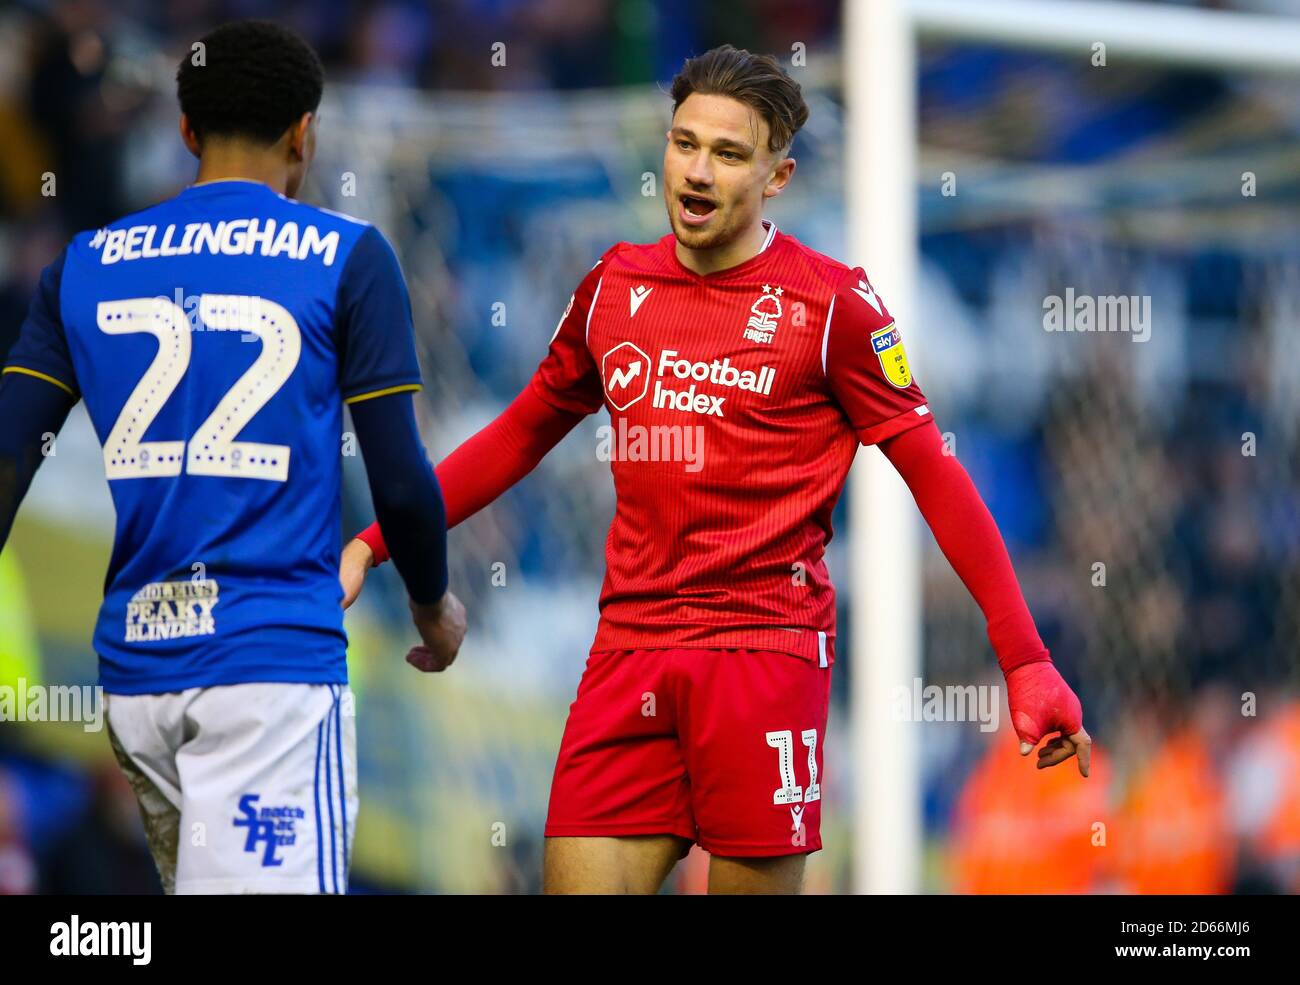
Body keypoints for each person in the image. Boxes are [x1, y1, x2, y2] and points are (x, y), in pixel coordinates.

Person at [342, 44, 1088, 894]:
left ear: (777, 175)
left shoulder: (833, 305)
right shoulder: (612, 288)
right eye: (683, 143)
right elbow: (519, 434)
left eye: (729, 153)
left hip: (762, 661)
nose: (696, 171)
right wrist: (377, 540)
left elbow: (935, 475)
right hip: (629, 655)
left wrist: (1024, 659)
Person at [0, 20, 465, 894]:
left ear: (184, 132)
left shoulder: (83, 266)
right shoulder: (349, 257)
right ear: (305, 131)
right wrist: (433, 603)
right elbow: (401, 479)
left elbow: (5, 459)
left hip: (137, 677)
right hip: (268, 674)